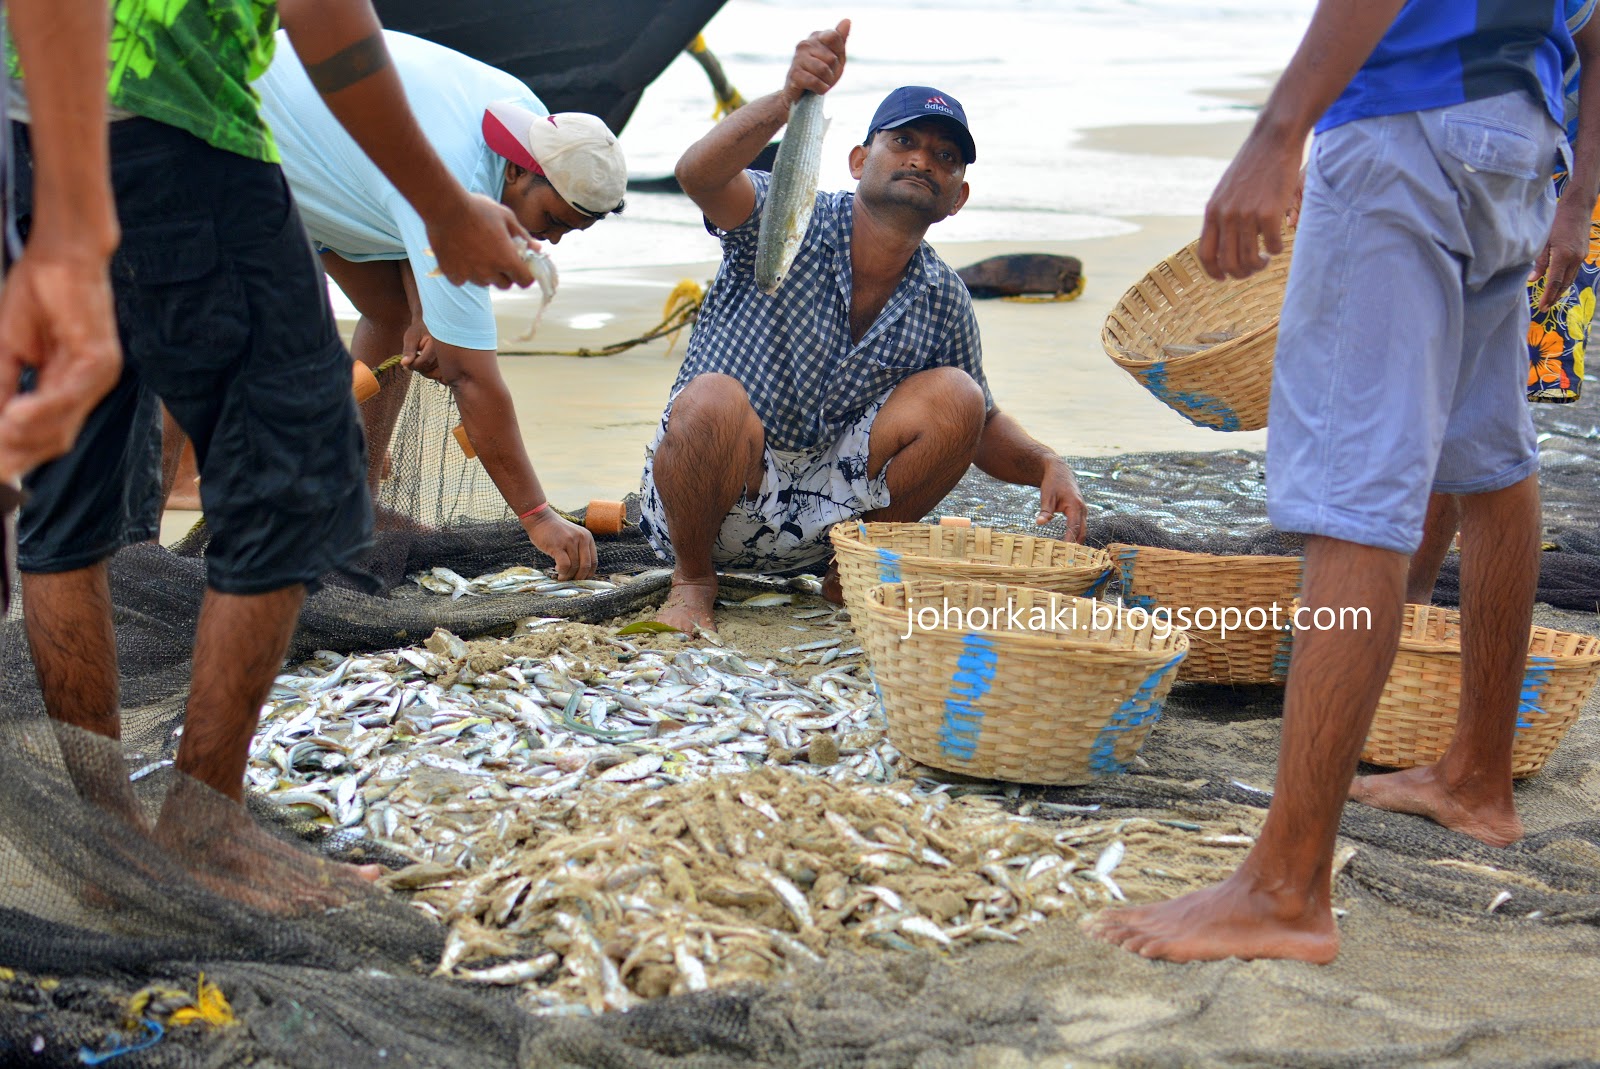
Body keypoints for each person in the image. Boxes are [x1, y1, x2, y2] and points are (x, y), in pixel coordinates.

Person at [1088, 0, 1596, 964]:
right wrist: (1574, 202)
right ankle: (1479, 778)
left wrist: (1275, 137)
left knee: (1353, 498)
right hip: (1517, 142)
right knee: (1492, 459)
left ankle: (1285, 887)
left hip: (1408, 128)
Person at [12, 0, 541, 910]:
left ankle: (107, 844)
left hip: (28, 131)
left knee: (68, 495)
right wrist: (446, 209)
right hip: (182, 142)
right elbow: (322, 13)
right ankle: (204, 828)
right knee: (299, 479)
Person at [641, 20, 1085, 633]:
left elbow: (978, 426)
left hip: (830, 525)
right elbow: (700, 176)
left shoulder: (943, 296)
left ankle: (846, 577)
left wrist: (1045, 463)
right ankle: (693, 584)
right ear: (857, 160)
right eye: (904, 141)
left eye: (945, 156)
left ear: (958, 197)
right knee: (711, 397)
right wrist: (787, 100)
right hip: (709, 504)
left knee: (960, 395)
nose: (923, 159)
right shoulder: (787, 213)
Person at [246, 29, 626, 580]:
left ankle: (357, 501)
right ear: (518, 172)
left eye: (573, 230)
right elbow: (472, 377)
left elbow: (408, 199)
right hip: (247, 131)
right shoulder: (463, 174)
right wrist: (538, 516)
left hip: (334, 148)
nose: (551, 242)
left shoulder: (537, 126)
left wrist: (427, 308)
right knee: (202, 335)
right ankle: (141, 546)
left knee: (396, 316)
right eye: (552, 222)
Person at [1408, 0, 1599, 604]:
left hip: (1553, 175)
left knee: (1481, 403)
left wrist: (1576, 208)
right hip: (1447, 160)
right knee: (1436, 388)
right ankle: (1407, 595)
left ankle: (1411, 594)